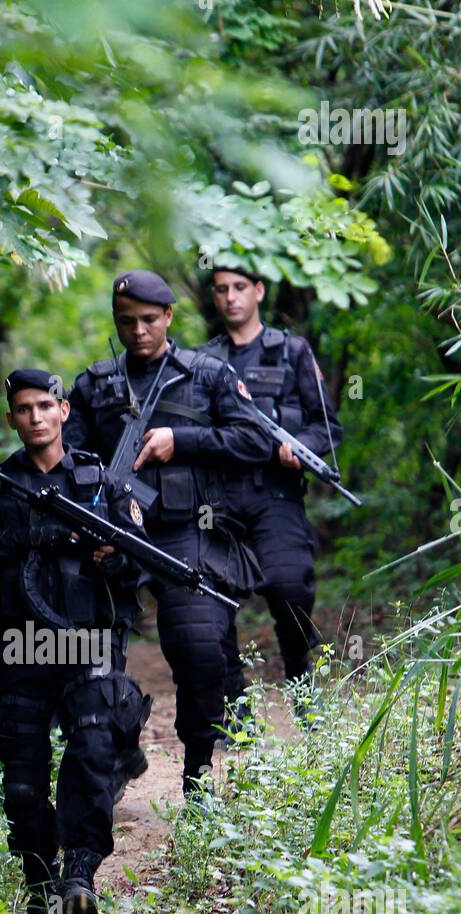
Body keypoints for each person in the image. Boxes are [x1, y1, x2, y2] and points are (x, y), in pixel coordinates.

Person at [0, 369, 151, 914]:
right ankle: (40, 893)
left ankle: (79, 882)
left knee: (90, 751)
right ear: (11, 418)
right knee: (22, 784)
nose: (35, 417)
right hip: (20, 648)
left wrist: (111, 557)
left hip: (87, 642)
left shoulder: (101, 483)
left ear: (63, 410)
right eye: (22, 409)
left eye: (44, 406)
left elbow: (141, 562)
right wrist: (30, 537)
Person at [62, 269, 269, 795]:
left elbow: (253, 441)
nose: (138, 331)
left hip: (186, 530)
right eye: (126, 321)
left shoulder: (207, 374)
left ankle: (198, 769)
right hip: (115, 535)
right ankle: (119, 755)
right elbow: (68, 461)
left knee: (198, 646)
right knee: (88, 663)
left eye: (149, 320)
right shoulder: (94, 384)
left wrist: (183, 440)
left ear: (169, 317)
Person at [205, 264, 344, 719]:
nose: (231, 298)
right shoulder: (203, 361)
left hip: (276, 493)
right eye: (222, 289)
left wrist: (300, 449)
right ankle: (234, 703)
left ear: (259, 291)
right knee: (210, 600)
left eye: (240, 287)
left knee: (289, 586)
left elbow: (328, 427)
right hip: (220, 497)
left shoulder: (292, 351)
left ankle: (300, 671)